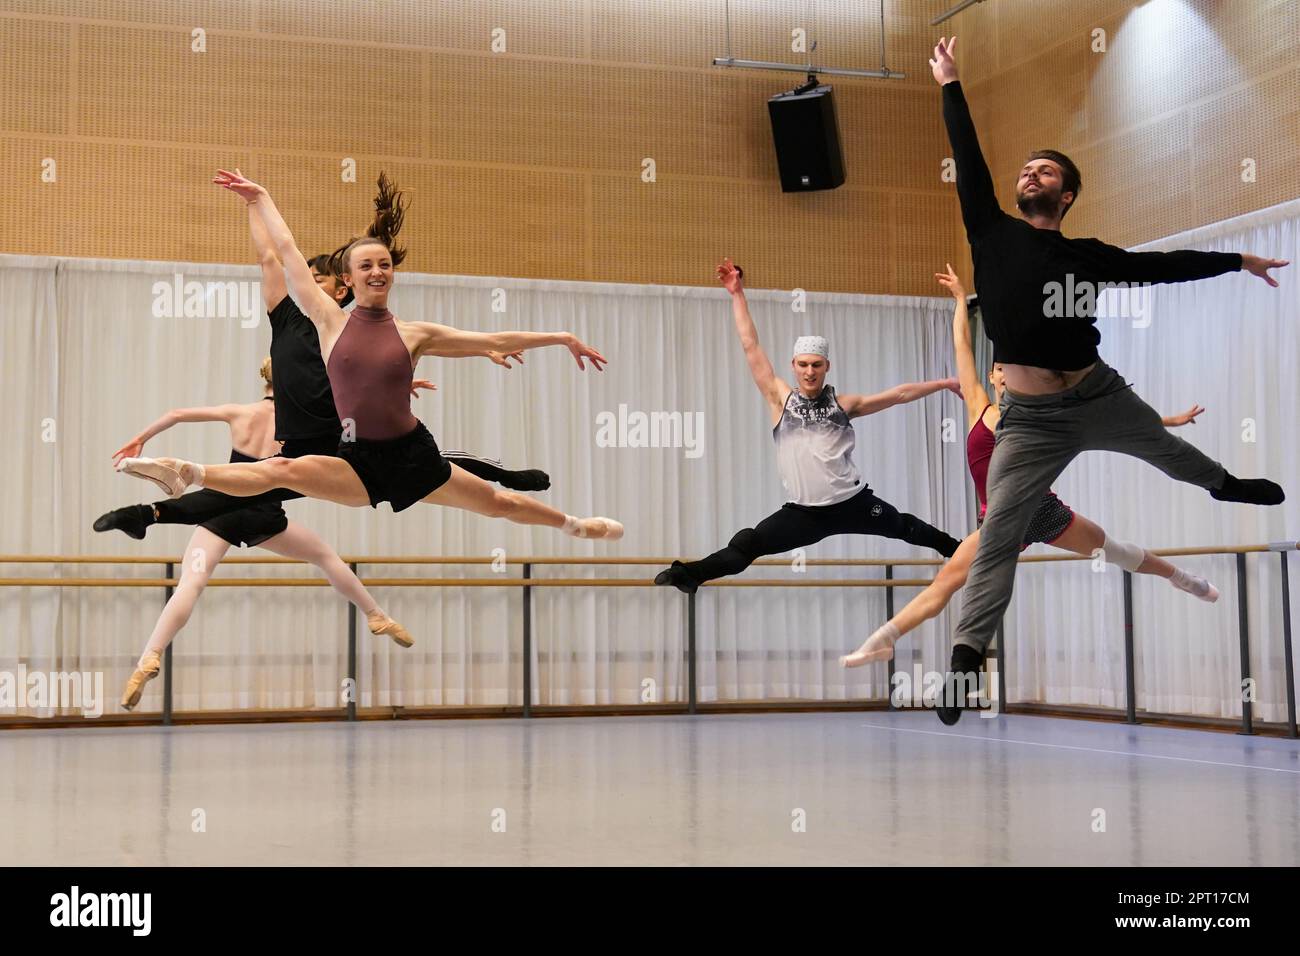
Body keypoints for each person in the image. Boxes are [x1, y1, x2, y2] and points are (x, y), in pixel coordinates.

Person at [927, 37, 1287, 723]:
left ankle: (1225, 485)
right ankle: (965, 661)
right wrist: (950, 82)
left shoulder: (1088, 255)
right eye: (1027, 170)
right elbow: (968, 160)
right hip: (1028, 418)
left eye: (1045, 172)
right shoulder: (990, 231)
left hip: (1095, 392)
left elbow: (1165, 266)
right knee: (1000, 533)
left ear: (1066, 194)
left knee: (1162, 445)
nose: (1031, 175)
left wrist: (1237, 260)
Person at [841, 265, 1217, 668]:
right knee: (947, 582)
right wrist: (957, 301)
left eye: (1011, 370)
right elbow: (962, 351)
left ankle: (1183, 579)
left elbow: (1110, 420)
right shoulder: (978, 409)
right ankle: (882, 640)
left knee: (1115, 551)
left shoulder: (1043, 419)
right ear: (993, 375)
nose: (1005, 376)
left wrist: (1168, 420)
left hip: (1044, 511)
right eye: (999, 369)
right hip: (999, 520)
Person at [654, 259, 961, 595]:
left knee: (905, 526)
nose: (810, 371)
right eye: (803, 365)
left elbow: (899, 394)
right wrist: (737, 293)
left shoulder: (845, 405)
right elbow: (750, 345)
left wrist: (944, 382)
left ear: (826, 366)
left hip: (853, 503)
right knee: (748, 542)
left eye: (816, 365)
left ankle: (961, 551)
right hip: (804, 514)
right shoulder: (779, 398)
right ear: (794, 366)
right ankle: (690, 574)